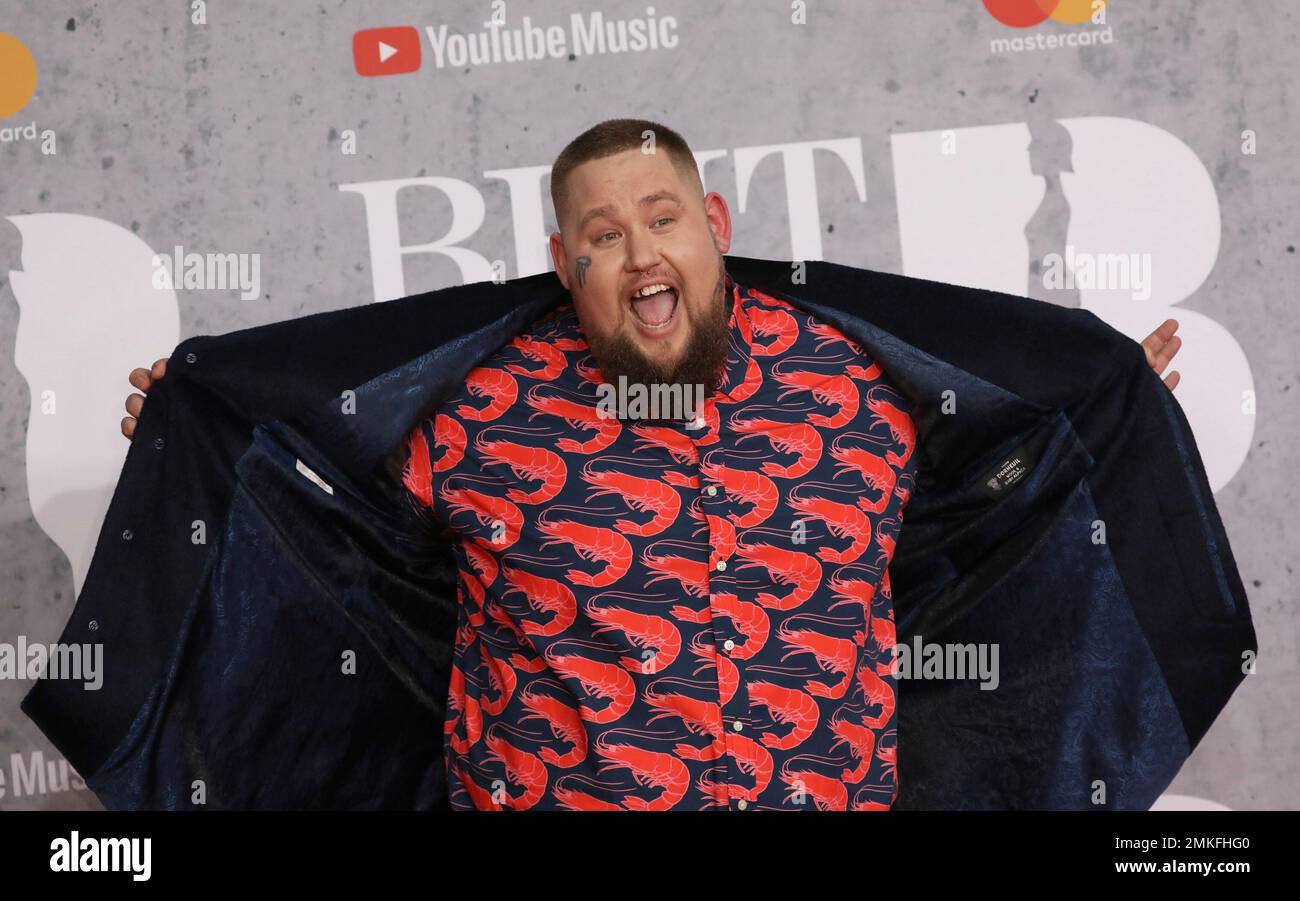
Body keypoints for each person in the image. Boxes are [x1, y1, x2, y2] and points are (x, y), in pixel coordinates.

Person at [115, 119, 1186, 810]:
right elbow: (313, 512)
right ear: (562, 264)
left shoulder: (861, 381)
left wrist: (1103, 407)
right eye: (602, 235)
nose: (638, 256)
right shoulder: (471, 409)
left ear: (713, 226)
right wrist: (196, 436)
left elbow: (1002, 481)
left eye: (661, 219)